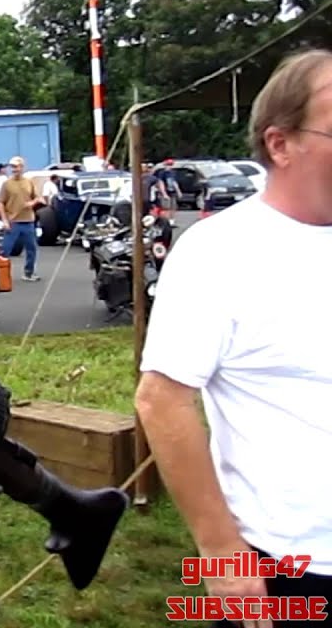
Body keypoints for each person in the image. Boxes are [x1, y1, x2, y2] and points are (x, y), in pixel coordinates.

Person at [136, 49, 332, 628]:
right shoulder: (220, 253)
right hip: (292, 565)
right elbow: (160, 398)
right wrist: (221, 550)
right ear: (280, 144)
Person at [0, 156, 43, 282]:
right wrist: (4, 220)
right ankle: (0, 276)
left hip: (28, 220)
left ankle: (29, 273)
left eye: (16, 166)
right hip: (13, 221)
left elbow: (38, 197)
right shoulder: (7, 184)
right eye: (12, 167)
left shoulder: (29, 182)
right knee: (5, 250)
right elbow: (0, 202)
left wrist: (32, 203)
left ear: (22, 167)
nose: (14, 169)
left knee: (31, 248)